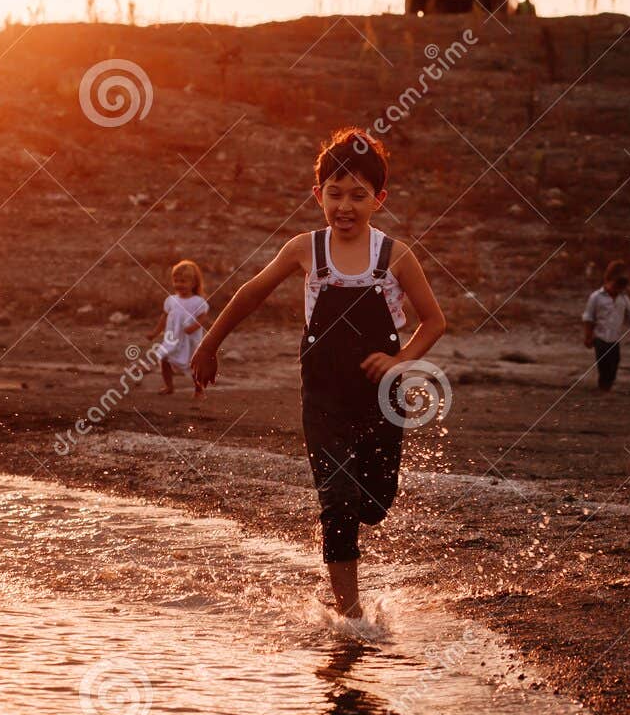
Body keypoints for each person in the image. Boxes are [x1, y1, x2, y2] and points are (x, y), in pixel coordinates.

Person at [191, 128, 446, 620]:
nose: (345, 206)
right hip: (323, 399)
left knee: (373, 505)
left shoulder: (394, 256)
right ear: (318, 195)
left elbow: (435, 321)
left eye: (358, 195)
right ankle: (350, 617)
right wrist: (210, 342)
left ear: (379, 200)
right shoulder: (307, 249)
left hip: (381, 400)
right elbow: (250, 293)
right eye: (335, 194)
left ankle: (357, 553)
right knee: (338, 501)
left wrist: (400, 360)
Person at [150, 260, 211, 397]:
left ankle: (199, 389)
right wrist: (155, 332)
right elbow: (164, 317)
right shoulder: (171, 300)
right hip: (173, 338)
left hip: (190, 340)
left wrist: (193, 327)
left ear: (193, 283)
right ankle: (169, 386)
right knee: (164, 358)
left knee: (194, 364)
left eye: (183, 281)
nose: (179, 284)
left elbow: (203, 318)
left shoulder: (198, 301)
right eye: (176, 281)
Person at [582, 259, 630, 391]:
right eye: (615, 286)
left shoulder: (624, 298)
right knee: (604, 365)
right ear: (607, 281)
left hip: (615, 339)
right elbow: (588, 318)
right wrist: (588, 336)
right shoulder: (596, 297)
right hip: (600, 338)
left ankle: (607, 385)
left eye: (620, 288)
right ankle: (603, 387)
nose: (617, 290)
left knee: (614, 363)